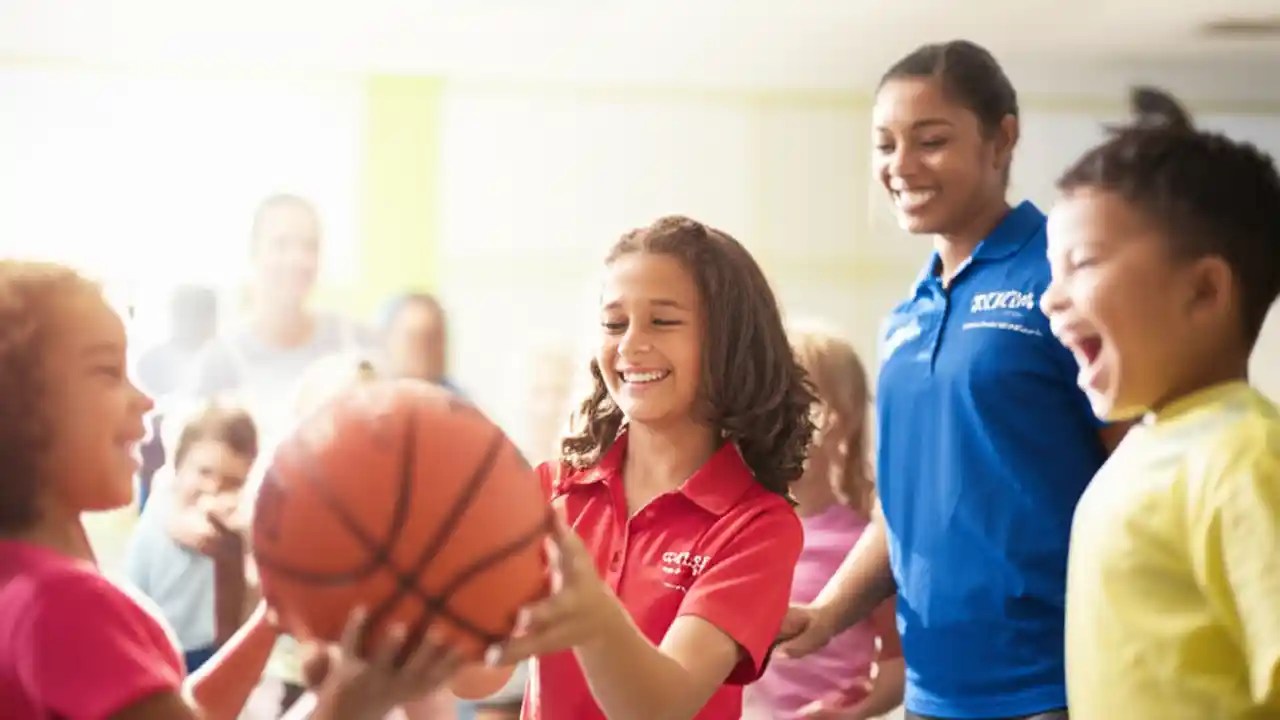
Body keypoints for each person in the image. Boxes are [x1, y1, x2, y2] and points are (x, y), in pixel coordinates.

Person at [777, 41, 1126, 720]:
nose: (901, 166)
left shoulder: (1063, 277)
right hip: (934, 696)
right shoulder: (905, 317)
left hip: (1054, 687)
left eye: (930, 140)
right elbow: (899, 511)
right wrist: (826, 615)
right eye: (885, 145)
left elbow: (1135, 468)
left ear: (1002, 138)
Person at [0, 260, 461, 720]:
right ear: (15, 403)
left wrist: (272, 617)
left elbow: (188, 711)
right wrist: (351, 703)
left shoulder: (21, 583)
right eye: (106, 371)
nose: (145, 399)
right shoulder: (64, 606)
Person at [485, 215, 816, 719]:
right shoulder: (553, 491)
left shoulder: (758, 529)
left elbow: (659, 708)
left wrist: (591, 612)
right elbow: (476, 672)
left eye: (662, 321)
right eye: (614, 323)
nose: (631, 344)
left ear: (727, 343)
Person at [1042, 87, 1280, 718]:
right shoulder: (1145, 449)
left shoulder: (1241, 455)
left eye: (1083, 263)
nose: (1050, 299)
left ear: (1204, 291)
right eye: (1050, 271)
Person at [747, 327, 904, 720]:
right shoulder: (737, 530)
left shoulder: (866, 545)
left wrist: (855, 713)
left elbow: (896, 663)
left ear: (837, 418)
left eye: (785, 400)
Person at [124, 400, 258, 674]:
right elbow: (184, 528)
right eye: (204, 472)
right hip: (148, 644)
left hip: (205, 649)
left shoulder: (237, 529)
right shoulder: (162, 509)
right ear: (179, 467)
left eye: (232, 482)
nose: (212, 489)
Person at [379, 292, 465, 396]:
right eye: (415, 337)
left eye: (432, 339)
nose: (425, 352)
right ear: (388, 341)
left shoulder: (461, 406)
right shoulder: (367, 402)